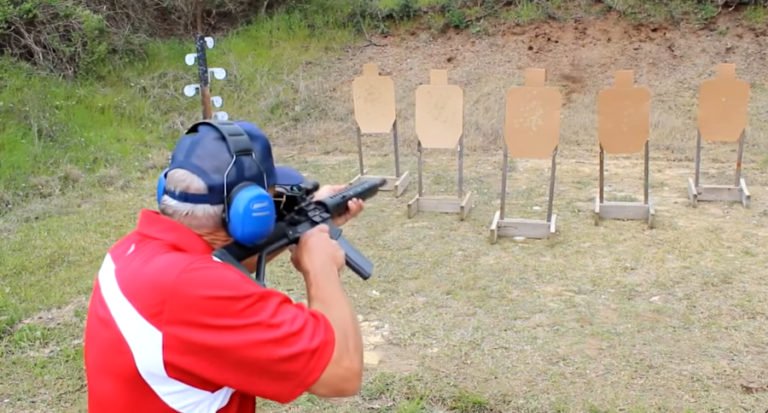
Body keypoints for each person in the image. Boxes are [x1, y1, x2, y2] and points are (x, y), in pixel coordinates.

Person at [83, 120, 365, 412]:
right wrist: (320, 265)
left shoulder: (131, 252)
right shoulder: (195, 289)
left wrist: (303, 221)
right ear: (250, 210)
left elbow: (220, 262)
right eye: (271, 199)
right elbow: (341, 373)